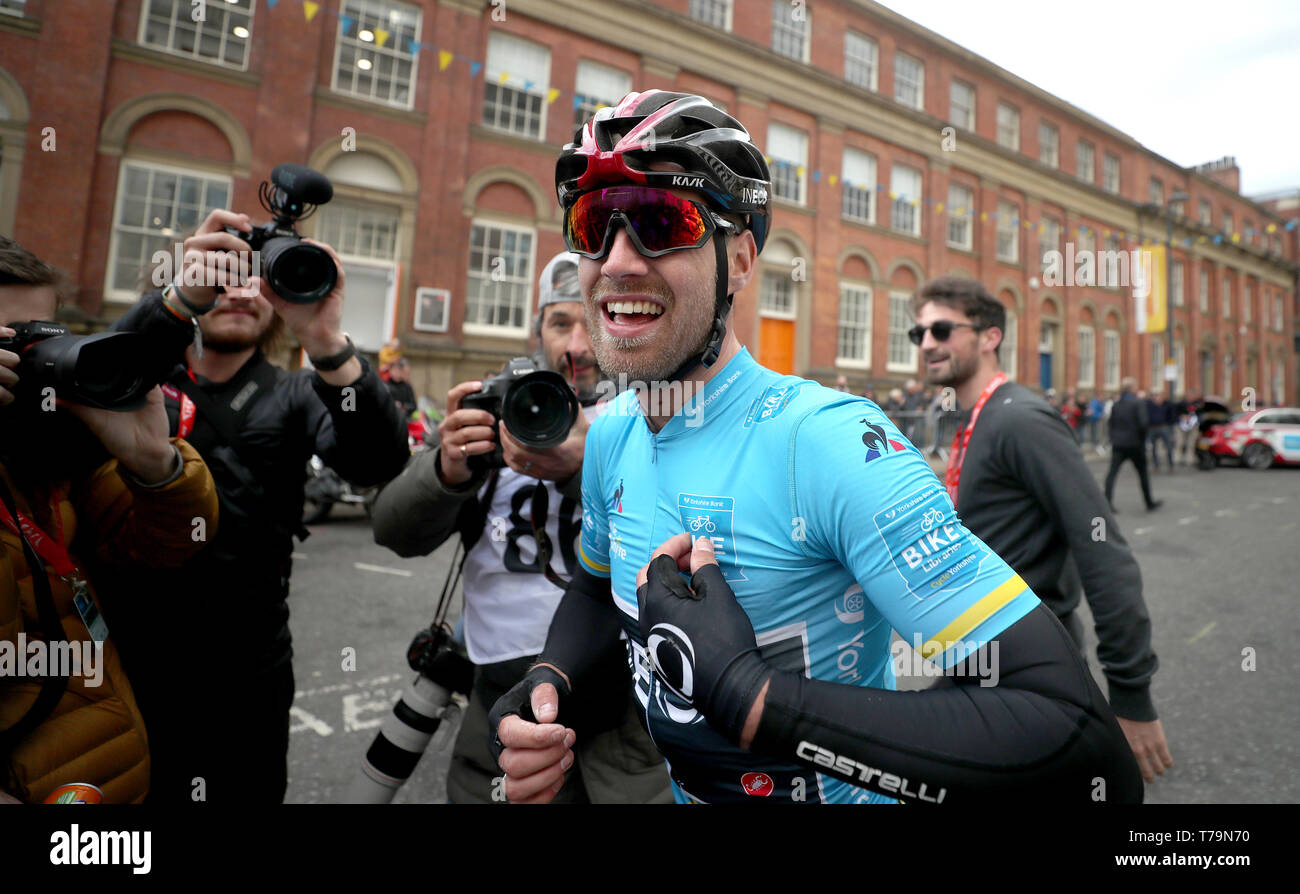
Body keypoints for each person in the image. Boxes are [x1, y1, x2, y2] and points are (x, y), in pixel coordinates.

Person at [487, 90, 1142, 804]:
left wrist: (750, 694)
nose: (615, 262)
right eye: (592, 225)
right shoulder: (611, 432)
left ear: (738, 260)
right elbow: (592, 586)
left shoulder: (826, 442)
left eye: (659, 222)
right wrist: (553, 679)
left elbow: (1080, 743)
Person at [104, 210, 411, 803]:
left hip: (248, 664)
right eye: (224, 272)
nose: (240, 290)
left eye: (258, 278)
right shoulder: (136, 378)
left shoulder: (297, 393)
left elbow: (376, 461)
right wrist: (173, 303)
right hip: (129, 656)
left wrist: (324, 341)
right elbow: (97, 378)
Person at [372, 251, 671, 804]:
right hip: (497, 698)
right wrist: (447, 469)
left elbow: (671, 548)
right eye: (560, 324)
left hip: (623, 716)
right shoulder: (499, 408)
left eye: (589, 324)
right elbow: (393, 531)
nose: (576, 347)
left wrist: (587, 467)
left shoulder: (649, 416)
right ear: (536, 332)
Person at [912, 276, 1173, 783]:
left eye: (941, 330)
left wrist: (1132, 695)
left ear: (990, 337)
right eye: (918, 334)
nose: (926, 344)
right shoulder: (974, 418)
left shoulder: (1022, 419)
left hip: (1028, 673)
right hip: (975, 662)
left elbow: (1104, 550)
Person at [0, 236, 218, 803]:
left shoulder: (47, 454)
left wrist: (155, 463)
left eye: (39, 337)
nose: (28, 361)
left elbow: (170, 546)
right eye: (7, 342)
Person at [1105, 378, 1161, 512]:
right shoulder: (1138, 403)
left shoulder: (1116, 404)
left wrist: (1114, 438)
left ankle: (1107, 502)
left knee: (1112, 473)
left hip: (1119, 443)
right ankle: (1149, 502)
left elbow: (1111, 424)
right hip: (1135, 444)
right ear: (1132, 388)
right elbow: (1143, 424)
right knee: (1142, 474)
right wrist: (1142, 441)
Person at [1145, 392, 1175, 471]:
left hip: (1163, 427)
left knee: (1168, 447)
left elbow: (1171, 416)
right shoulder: (1149, 406)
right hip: (1152, 428)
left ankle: (1171, 465)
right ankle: (1156, 466)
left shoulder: (1167, 405)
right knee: (1154, 448)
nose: (1158, 399)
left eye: (1159, 397)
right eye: (1156, 397)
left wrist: (1168, 425)